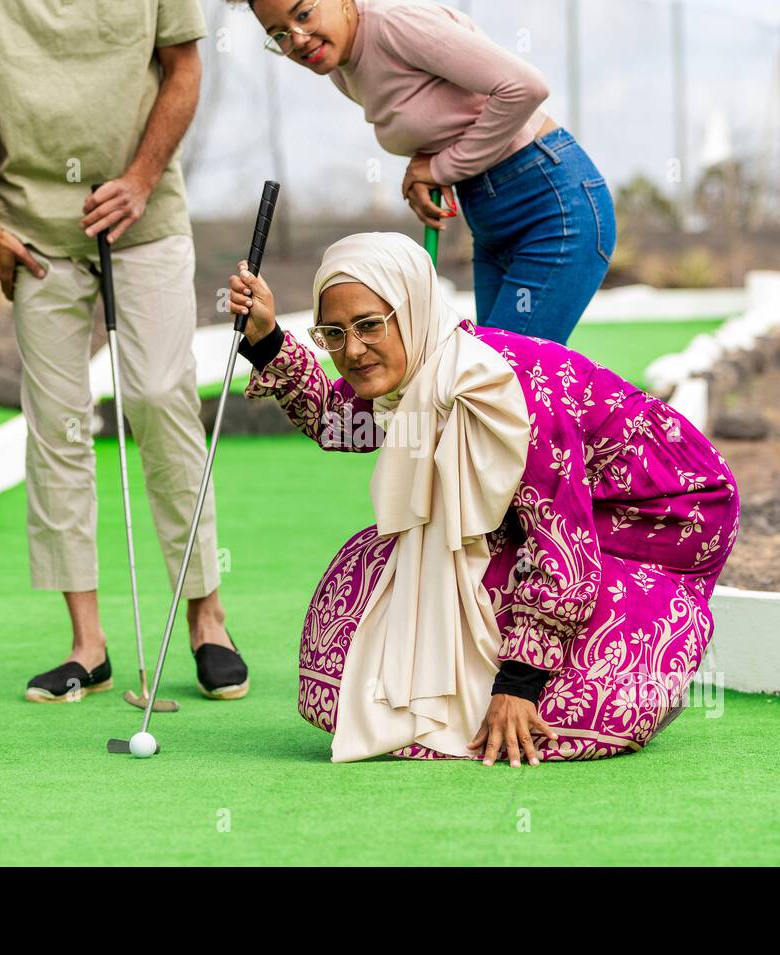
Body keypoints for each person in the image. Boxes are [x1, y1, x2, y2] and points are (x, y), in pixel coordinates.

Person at [227, 232, 739, 765]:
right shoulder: (422, 373)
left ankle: (651, 675)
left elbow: (562, 546)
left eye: (369, 325)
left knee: (577, 693)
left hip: (663, 520)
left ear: (414, 311)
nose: (352, 350)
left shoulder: (499, 389)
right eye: (333, 333)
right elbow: (341, 421)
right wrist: (265, 339)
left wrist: (517, 686)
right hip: (570, 521)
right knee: (379, 566)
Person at [0, 0, 250, 702]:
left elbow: (183, 67)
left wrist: (138, 179)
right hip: (31, 224)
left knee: (162, 396)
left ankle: (206, 618)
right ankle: (87, 646)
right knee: (57, 421)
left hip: (144, 210)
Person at [235, 0, 616, 346]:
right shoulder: (340, 64)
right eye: (279, 35)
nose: (298, 40)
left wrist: (439, 167)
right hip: (489, 217)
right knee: (492, 373)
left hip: (552, 206)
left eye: (303, 14)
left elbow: (524, 88)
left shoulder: (394, 24)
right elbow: (439, 118)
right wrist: (423, 173)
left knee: (504, 381)